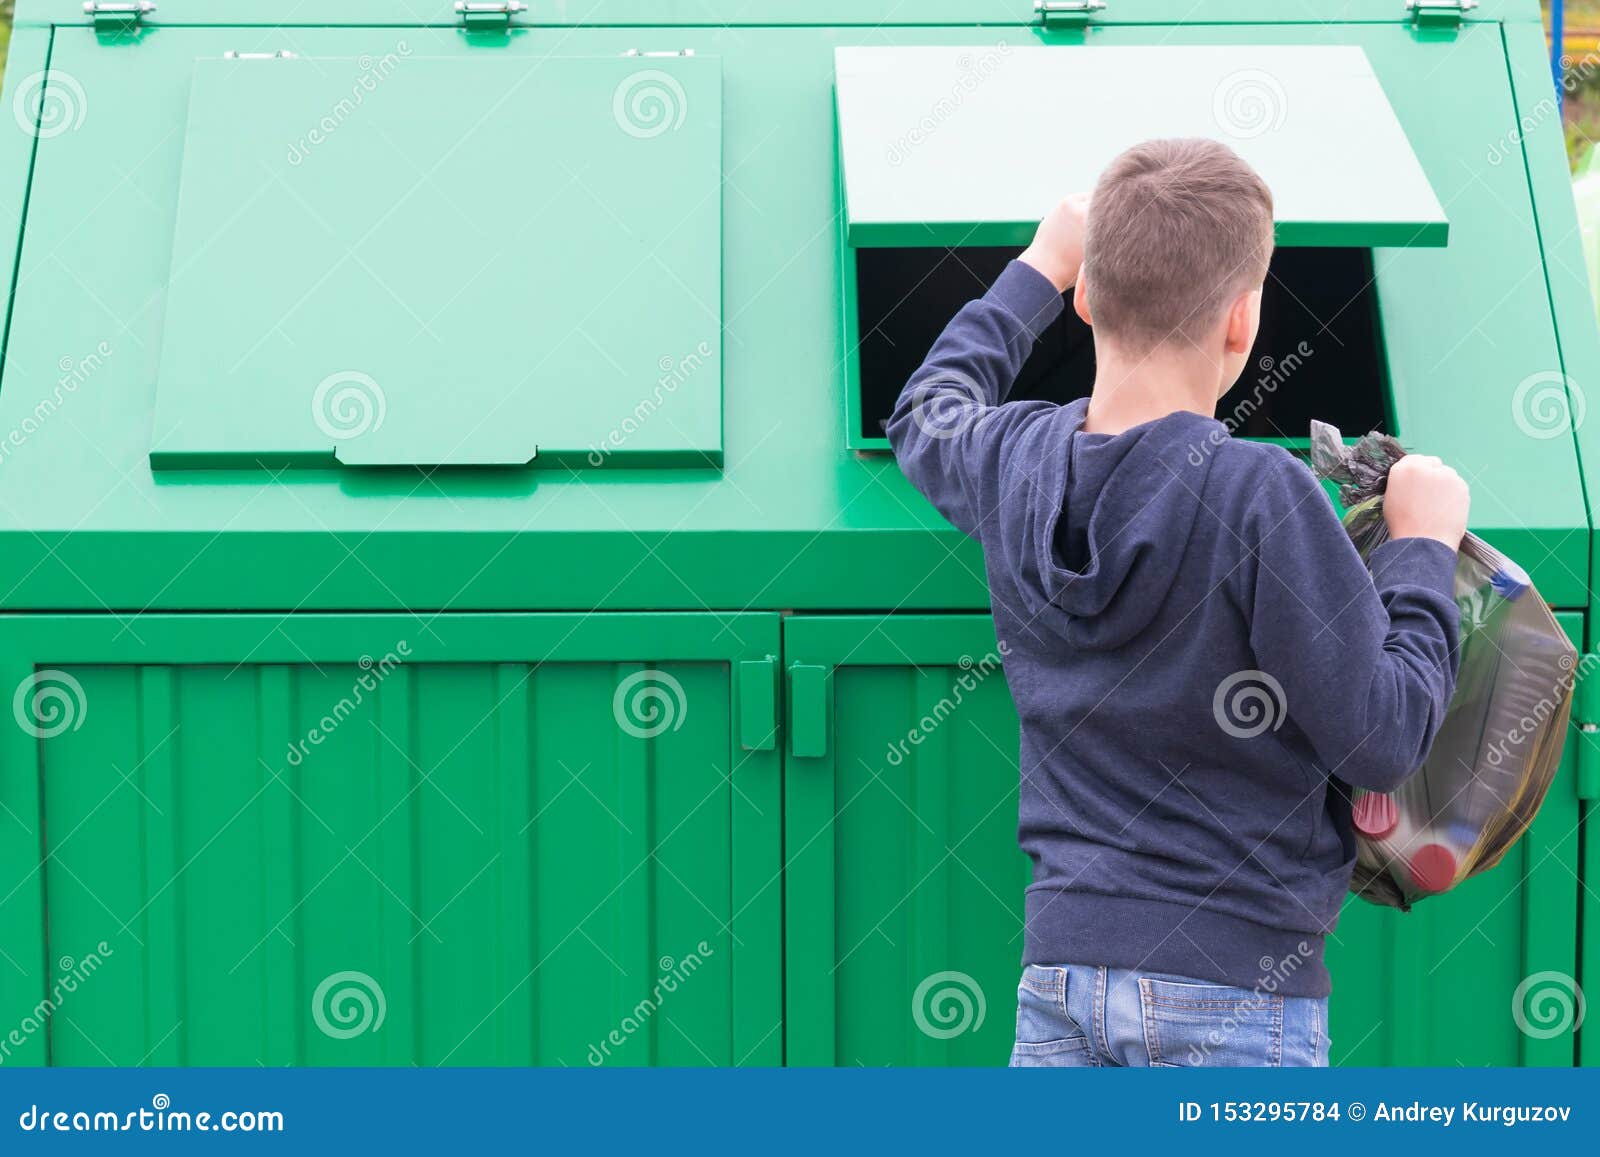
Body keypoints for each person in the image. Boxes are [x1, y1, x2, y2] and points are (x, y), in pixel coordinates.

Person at [887, 138, 1469, 1067]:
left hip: (1062, 982)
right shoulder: (1261, 495)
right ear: (1243, 320)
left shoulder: (1013, 459)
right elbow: (1382, 736)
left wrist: (1038, 266)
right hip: (1238, 992)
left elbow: (925, 412)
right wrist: (1422, 546)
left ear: (1086, 298)